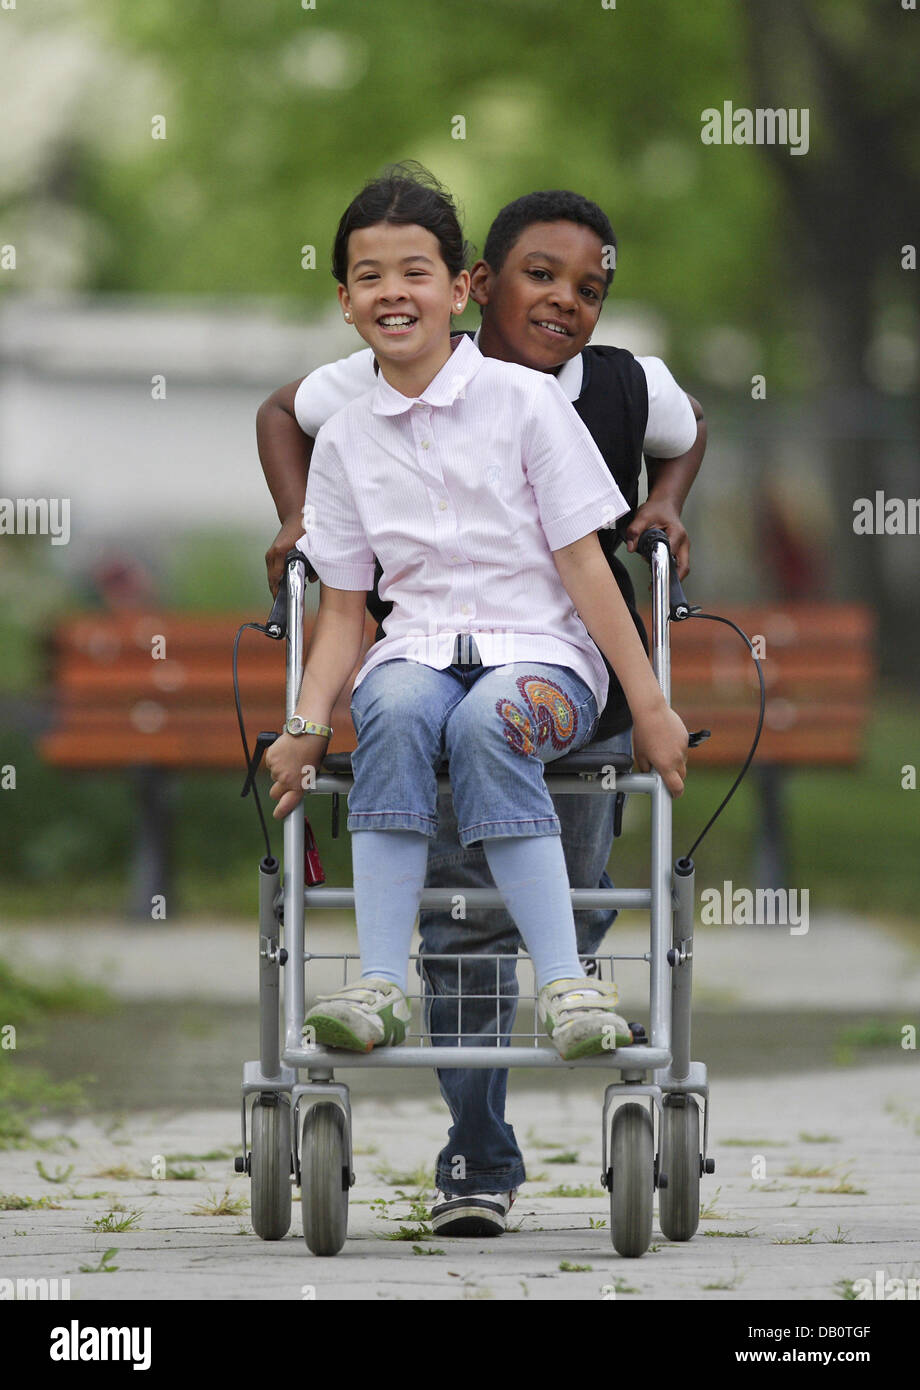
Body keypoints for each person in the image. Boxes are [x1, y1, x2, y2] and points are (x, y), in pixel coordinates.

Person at [259, 169, 704, 1237]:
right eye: (369, 276)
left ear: (455, 286)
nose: (392, 292)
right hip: (416, 649)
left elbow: (586, 568)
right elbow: (346, 608)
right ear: (345, 298)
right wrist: (304, 724)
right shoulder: (351, 427)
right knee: (403, 709)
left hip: (541, 657)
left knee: (483, 716)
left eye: (414, 272)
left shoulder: (528, 403)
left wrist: (647, 701)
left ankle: (564, 983)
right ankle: (376, 984)